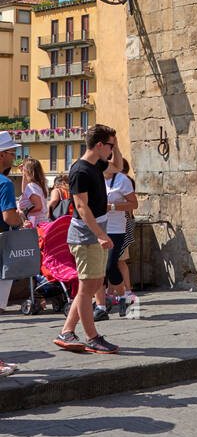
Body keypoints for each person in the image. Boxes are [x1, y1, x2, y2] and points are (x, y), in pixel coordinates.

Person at [53, 125, 120, 354]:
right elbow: (81, 206)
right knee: (87, 286)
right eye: (110, 145)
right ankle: (92, 337)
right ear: (99, 145)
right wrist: (101, 235)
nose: (112, 150)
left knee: (91, 284)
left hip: (95, 234)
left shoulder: (96, 164)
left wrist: (116, 144)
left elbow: (118, 167)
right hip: (85, 236)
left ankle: (66, 331)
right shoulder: (80, 170)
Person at [0, 131, 24, 370]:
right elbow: (9, 217)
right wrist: (20, 218)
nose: (14, 157)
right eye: (11, 153)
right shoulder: (5, 184)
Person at [103, 158, 138, 312]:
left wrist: (111, 207)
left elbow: (133, 204)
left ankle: (124, 294)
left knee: (112, 265)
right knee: (100, 268)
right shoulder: (94, 178)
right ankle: (101, 304)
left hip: (116, 228)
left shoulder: (123, 180)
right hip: (96, 227)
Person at [18, 158, 50, 228]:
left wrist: (24, 212)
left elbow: (38, 206)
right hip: (40, 222)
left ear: (28, 171)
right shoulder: (41, 184)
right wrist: (24, 174)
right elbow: (25, 192)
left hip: (34, 223)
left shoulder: (32, 186)